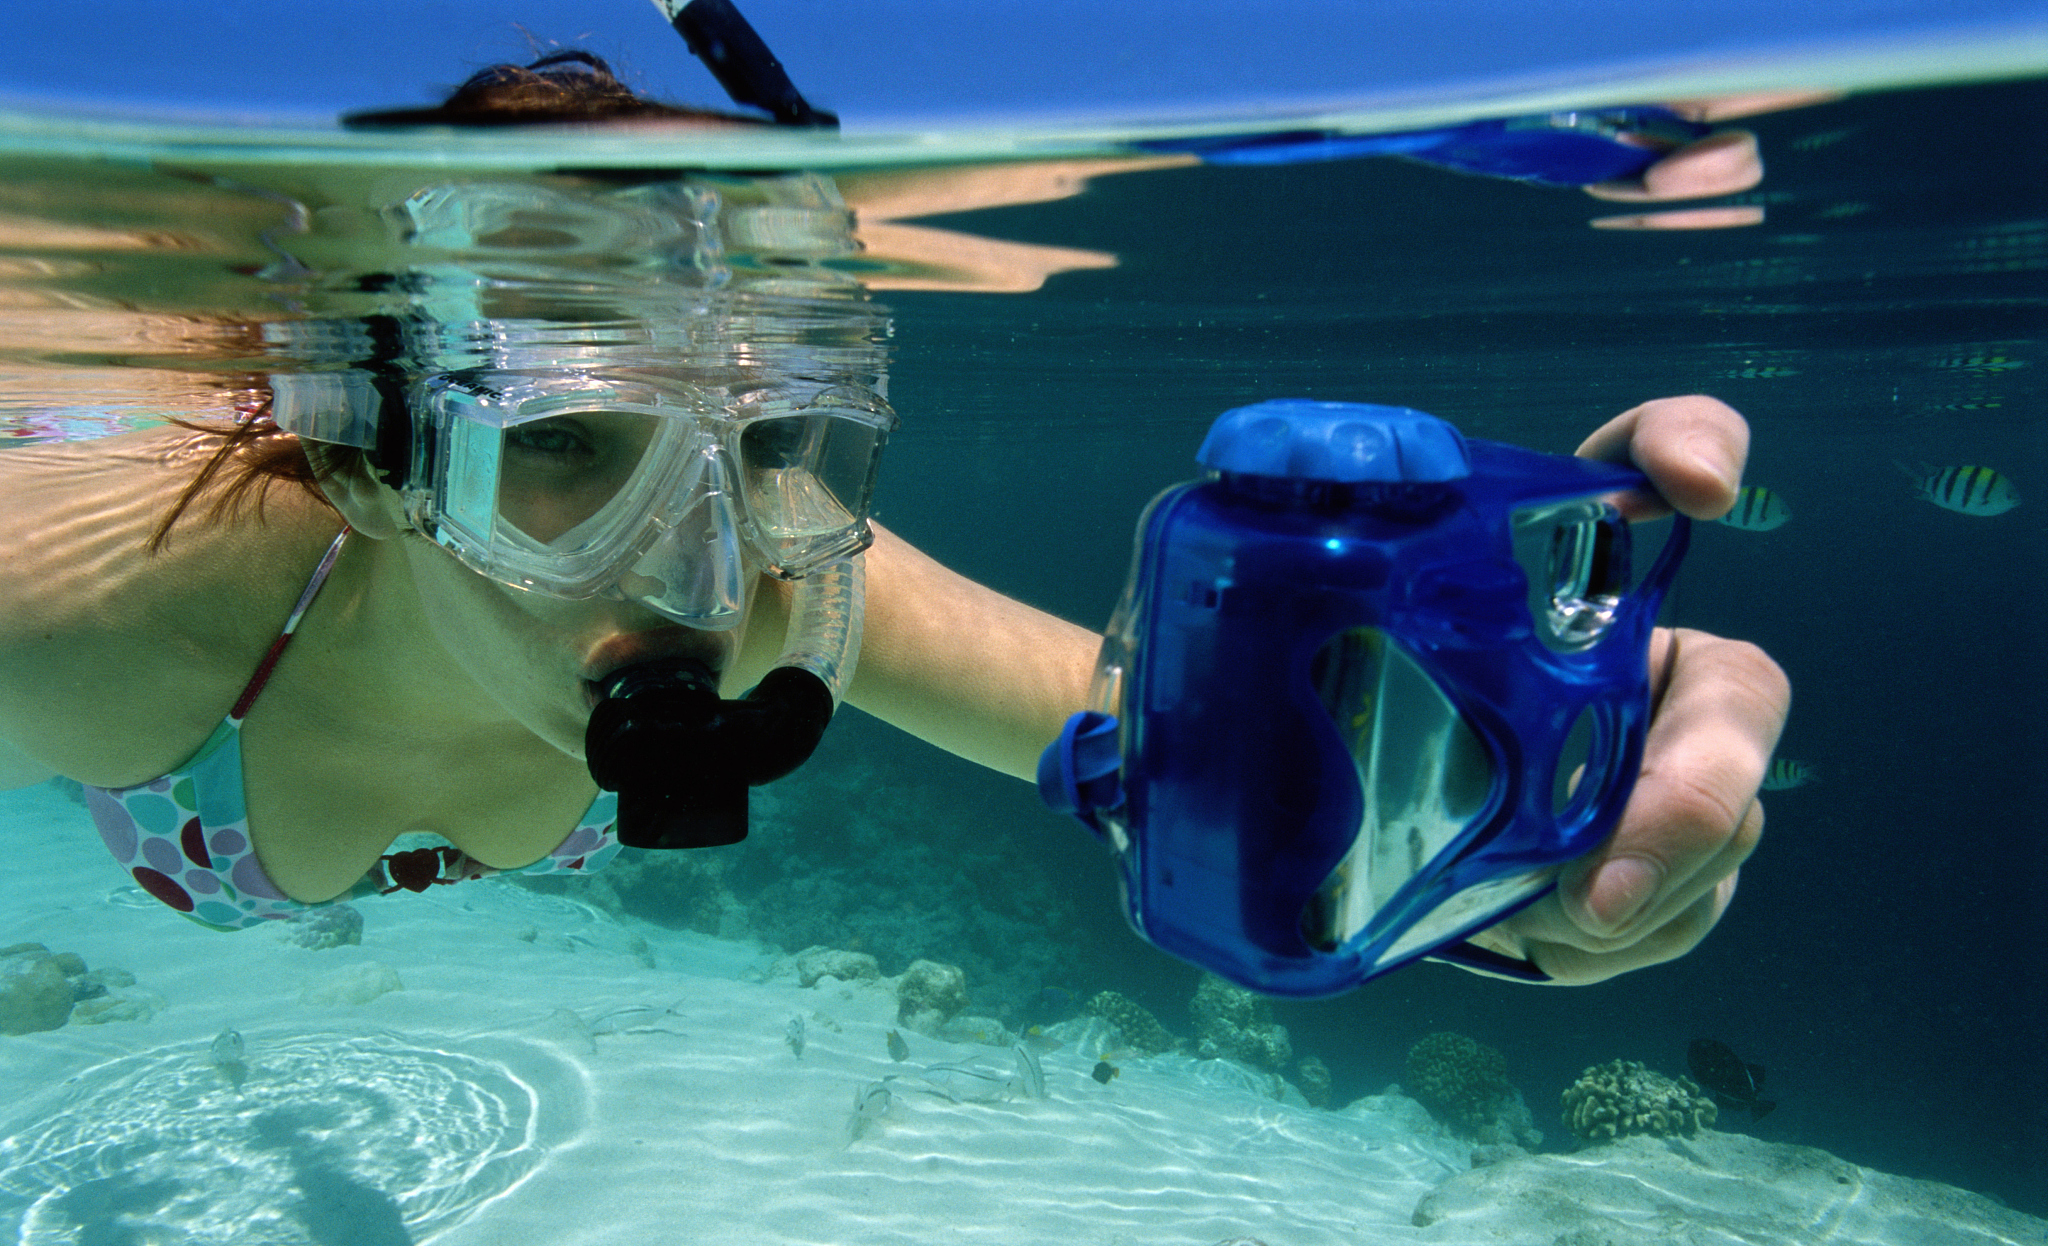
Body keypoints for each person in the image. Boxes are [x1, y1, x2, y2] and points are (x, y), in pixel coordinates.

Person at [0, 55, 1787, 988]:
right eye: (563, 446)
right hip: (191, 803)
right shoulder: (84, 624)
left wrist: (1514, 799)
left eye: (783, 436)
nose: (699, 583)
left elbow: (1222, 777)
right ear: (380, 456)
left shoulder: (799, 593)